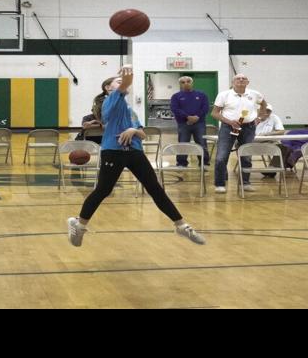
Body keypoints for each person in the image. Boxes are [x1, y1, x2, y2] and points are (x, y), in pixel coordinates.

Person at [66, 67, 206, 248]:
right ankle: (79, 225)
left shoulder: (129, 109)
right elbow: (126, 83)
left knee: (155, 189)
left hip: (134, 151)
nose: (121, 83)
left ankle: (181, 226)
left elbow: (142, 134)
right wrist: (127, 73)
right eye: (116, 82)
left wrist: (133, 130)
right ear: (108, 88)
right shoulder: (110, 101)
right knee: (103, 190)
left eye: (120, 81)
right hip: (114, 151)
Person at [212, 73, 266, 193]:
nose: (241, 80)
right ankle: (220, 184)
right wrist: (229, 122)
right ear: (233, 82)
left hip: (248, 128)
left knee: (246, 156)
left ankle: (245, 183)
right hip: (228, 127)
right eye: (238, 78)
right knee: (221, 156)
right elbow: (214, 113)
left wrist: (260, 118)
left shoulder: (255, 94)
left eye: (244, 78)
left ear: (247, 82)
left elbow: (264, 104)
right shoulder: (224, 95)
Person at [169, 76, 209, 169]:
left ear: (192, 83)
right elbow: (175, 109)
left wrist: (197, 116)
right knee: (183, 143)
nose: (186, 83)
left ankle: (204, 163)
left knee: (202, 143)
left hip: (199, 123)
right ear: (180, 84)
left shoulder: (202, 95)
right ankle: (181, 163)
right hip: (183, 124)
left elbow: (205, 108)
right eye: (183, 82)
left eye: (188, 81)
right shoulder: (176, 96)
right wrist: (187, 117)